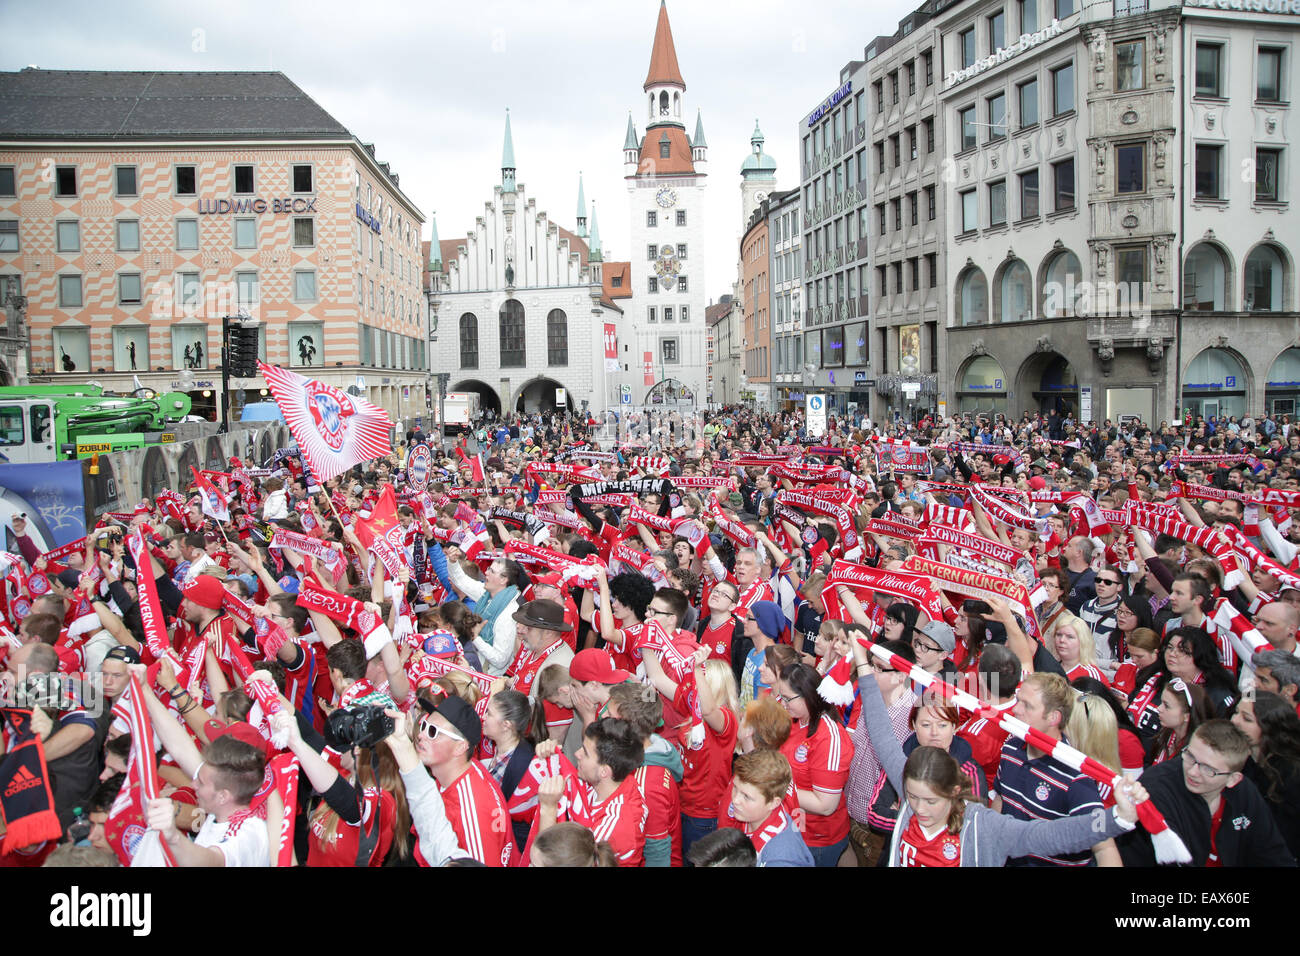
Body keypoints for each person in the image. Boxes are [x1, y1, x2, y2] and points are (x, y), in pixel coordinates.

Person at [853, 643, 1149, 867]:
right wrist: (862, 662)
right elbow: (881, 735)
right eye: (912, 798)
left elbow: (1051, 836)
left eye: (931, 801)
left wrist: (1118, 818)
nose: (919, 809)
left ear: (957, 792)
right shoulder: (1010, 748)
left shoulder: (983, 825)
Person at [1117, 720, 1296, 866]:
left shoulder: (1245, 793)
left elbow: (1273, 853)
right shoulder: (1155, 789)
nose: (1193, 771)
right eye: (1190, 756)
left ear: (1233, 779)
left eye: (1208, 769)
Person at [991, 672, 1108, 867]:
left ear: (1053, 717)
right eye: (1018, 700)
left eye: (1027, 705)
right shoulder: (1011, 747)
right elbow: (1001, 799)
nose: (1016, 709)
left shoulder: (1076, 776)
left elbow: (1104, 843)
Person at [410, 694, 514, 866]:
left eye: (433, 732)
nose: (421, 735)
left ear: (460, 747)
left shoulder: (472, 814)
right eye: (424, 725)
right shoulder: (461, 770)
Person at [774, 662, 855, 866]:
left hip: (817, 838)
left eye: (787, 698)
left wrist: (772, 787)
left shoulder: (828, 737)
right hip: (793, 825)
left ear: (808, 696)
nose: (782, 703)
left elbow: (825, 805)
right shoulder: (795, 718)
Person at [846, 638, 917, 867]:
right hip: (849, 814)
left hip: (876, 829)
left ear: (901, 676)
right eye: (871, 665)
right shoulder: (871, 701)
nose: (871, 673)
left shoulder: (913, 720)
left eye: (879, 668)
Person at [1232, 691, 1300, 858]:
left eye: (1246, 719)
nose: (1234, 721)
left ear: (1269, 728)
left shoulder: (1291, 776)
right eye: (1235, 712)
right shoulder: (1243, 757)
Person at [729, 749, 814, 867]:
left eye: (747, 797)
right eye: (735, 787)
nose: (735, 800)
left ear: (774, 803)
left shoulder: (780, 858)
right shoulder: (752, 815)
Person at [480, 689, 537, 851]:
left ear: (506, 725)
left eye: (489, 714)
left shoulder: (520, 764)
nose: (483, 717)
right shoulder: (503, 750)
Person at [1146, 678, 1212, 767]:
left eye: (1166, 706)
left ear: (1187, 716)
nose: (1159, 708)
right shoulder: (1166, 734)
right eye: (1161, 702)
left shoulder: (1194, 755)